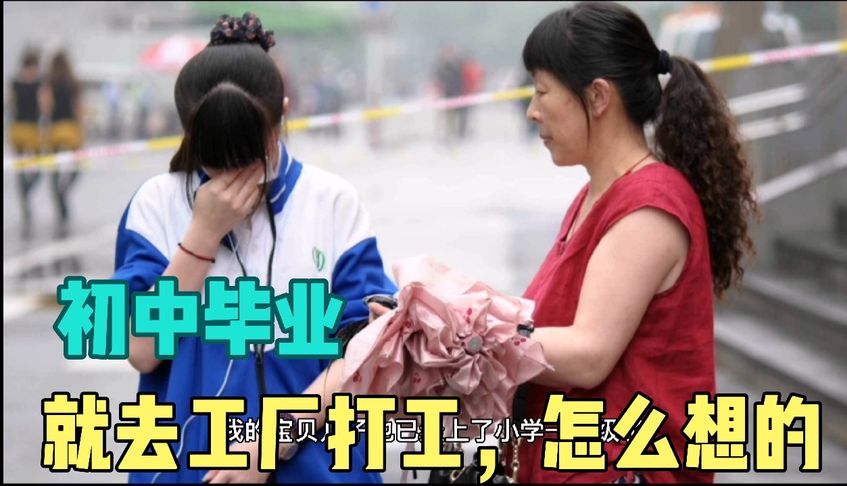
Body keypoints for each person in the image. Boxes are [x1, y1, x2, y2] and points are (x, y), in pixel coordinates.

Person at [372, 2, 759, 483]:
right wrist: (431, 323)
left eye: (541, 91)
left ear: (597, 96)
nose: (532, 111)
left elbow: (587, 353)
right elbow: (540, 327)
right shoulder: (596, 196)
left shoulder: (649, 208)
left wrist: (461, 333)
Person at [113, 12, 394, 483]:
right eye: (213, 153)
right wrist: (203, 234)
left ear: (282, 114)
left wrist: (268, 446)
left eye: (245, 149)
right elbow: (142, 351)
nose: (231, 170)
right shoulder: (156, 204)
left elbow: (368, 350)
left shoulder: (331, 202)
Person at [43, 50, 85, 239]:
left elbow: (47, 107)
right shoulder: (73, 83)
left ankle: (58, 198)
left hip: (55, 129)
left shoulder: (49, 82)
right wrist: (81, 130)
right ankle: (64, 191)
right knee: (77, 166)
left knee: (54, 169)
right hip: (70, 129)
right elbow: (78, 109)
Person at [9, 48, 46, 240]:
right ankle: (26, 192)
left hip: (17, 128)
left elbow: (10, 103)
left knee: (21, 168)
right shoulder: (38, 84)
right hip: (31, 129)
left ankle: (24, 196)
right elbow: (44, 107)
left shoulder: (15, 82)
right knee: (38, 166)